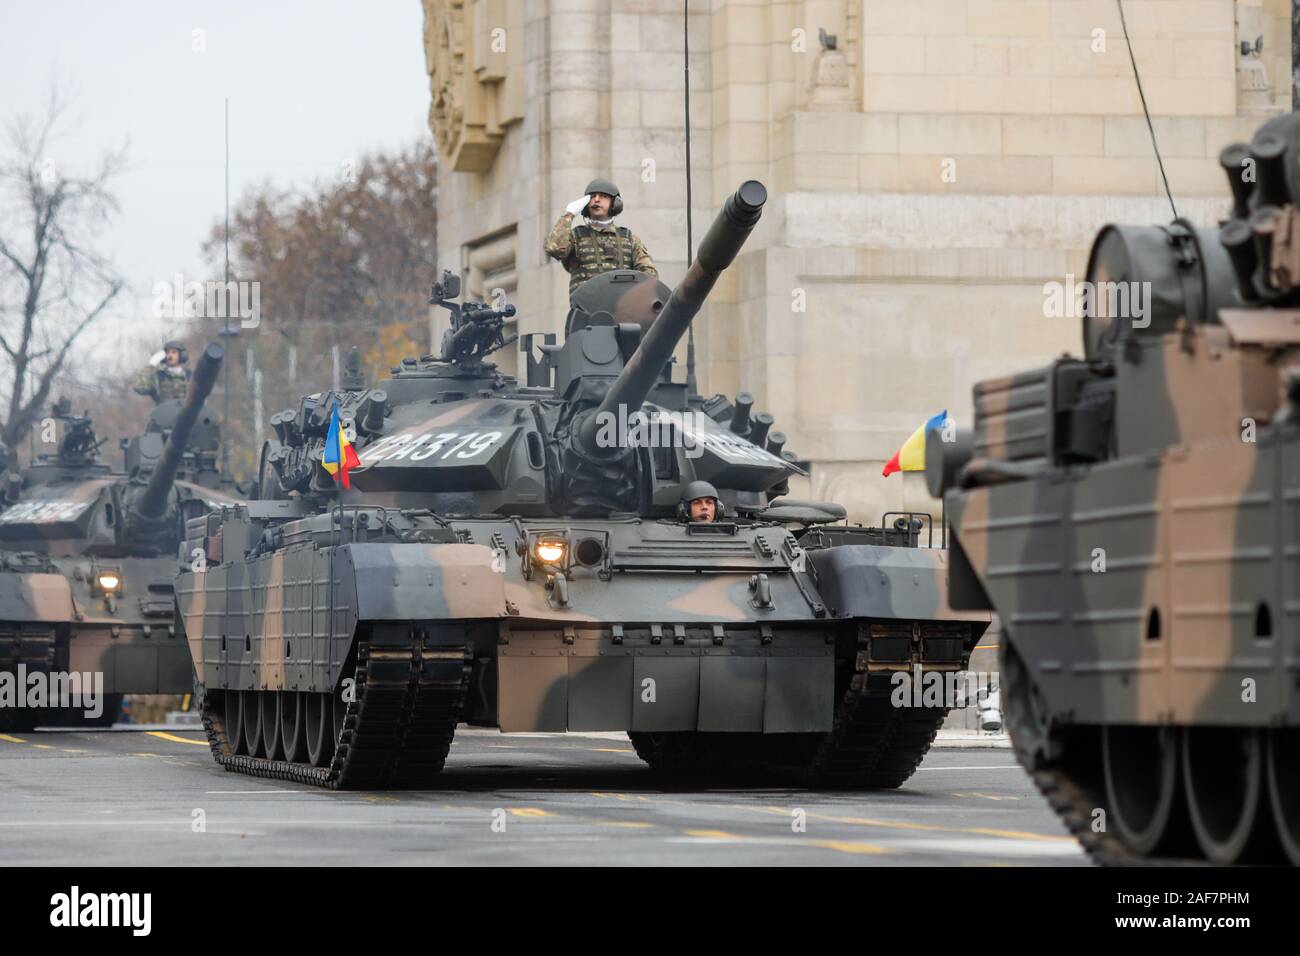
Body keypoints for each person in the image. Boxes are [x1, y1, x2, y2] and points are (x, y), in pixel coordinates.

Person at [545, 178, 657, 297]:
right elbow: (554, 248)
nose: (596, 199)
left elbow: (649, 276)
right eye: (592, 196)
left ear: (615, 203)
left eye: (603, 196)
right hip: (585, 309)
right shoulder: (575, 236)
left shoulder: (629, 239)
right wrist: (569, 214)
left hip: (621, 310)